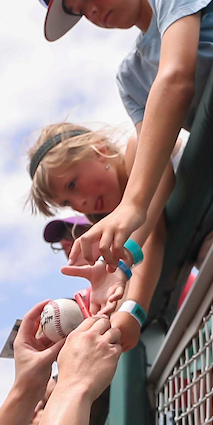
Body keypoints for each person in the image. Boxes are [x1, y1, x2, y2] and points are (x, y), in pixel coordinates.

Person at [35, 0, 213, 277]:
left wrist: (131, 205)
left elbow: (176, 78)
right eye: (81, 12)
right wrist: (121, 258)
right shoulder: (131, 77)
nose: (91, 11)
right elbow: (157, 173)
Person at [28, 121, 187, 351]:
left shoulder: (139, 147)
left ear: (99, 149)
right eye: (66, 203)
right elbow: (124, 281)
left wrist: (133, 310)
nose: (79, 204)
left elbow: (153, 234)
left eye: (72, 184)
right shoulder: (116, 225)